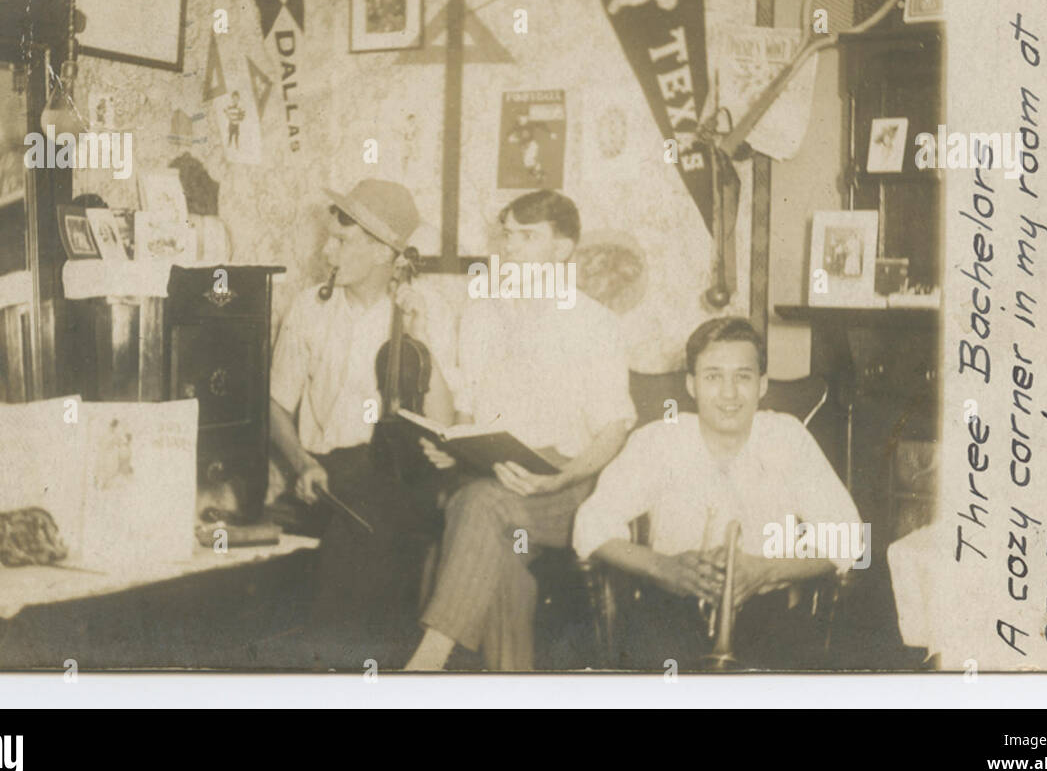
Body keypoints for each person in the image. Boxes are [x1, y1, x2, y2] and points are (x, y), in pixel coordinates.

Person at [404, 190, 638, 671]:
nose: (510, 247)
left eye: (527, 236)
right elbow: (464, 415)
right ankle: (515, 682)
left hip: (563, 488)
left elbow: (615, 428)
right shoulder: (482, 314)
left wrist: (561, 478)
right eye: (507, 234)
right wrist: (453, 446)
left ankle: (425, 665)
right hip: (495, 484)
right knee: (502, 560)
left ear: (563, 248)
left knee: (477, 504)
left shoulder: (594, 325)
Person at [572, 317, 863, 669]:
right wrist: (662, 567)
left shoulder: (788, 438)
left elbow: (849, 537)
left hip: (768, 615)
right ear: (691, 385)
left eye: (743, 377)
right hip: (669, 610)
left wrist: (767, 570)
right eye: (713, 376)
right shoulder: (658, 440)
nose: (729, 394)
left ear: (762, 384)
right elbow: (591, 522)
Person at [268, 179, 456, 668]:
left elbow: (443, 424)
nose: (328, 250)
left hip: (394, 477)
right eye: (330, 237)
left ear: (380, 252)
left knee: (369, 519)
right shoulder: (310, 307)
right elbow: (275, 405)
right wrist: (300, 462)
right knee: (362, 529)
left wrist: (421, 342)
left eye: (341, 241)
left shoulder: (419, 309)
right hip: (323, 473)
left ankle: (331, 665)